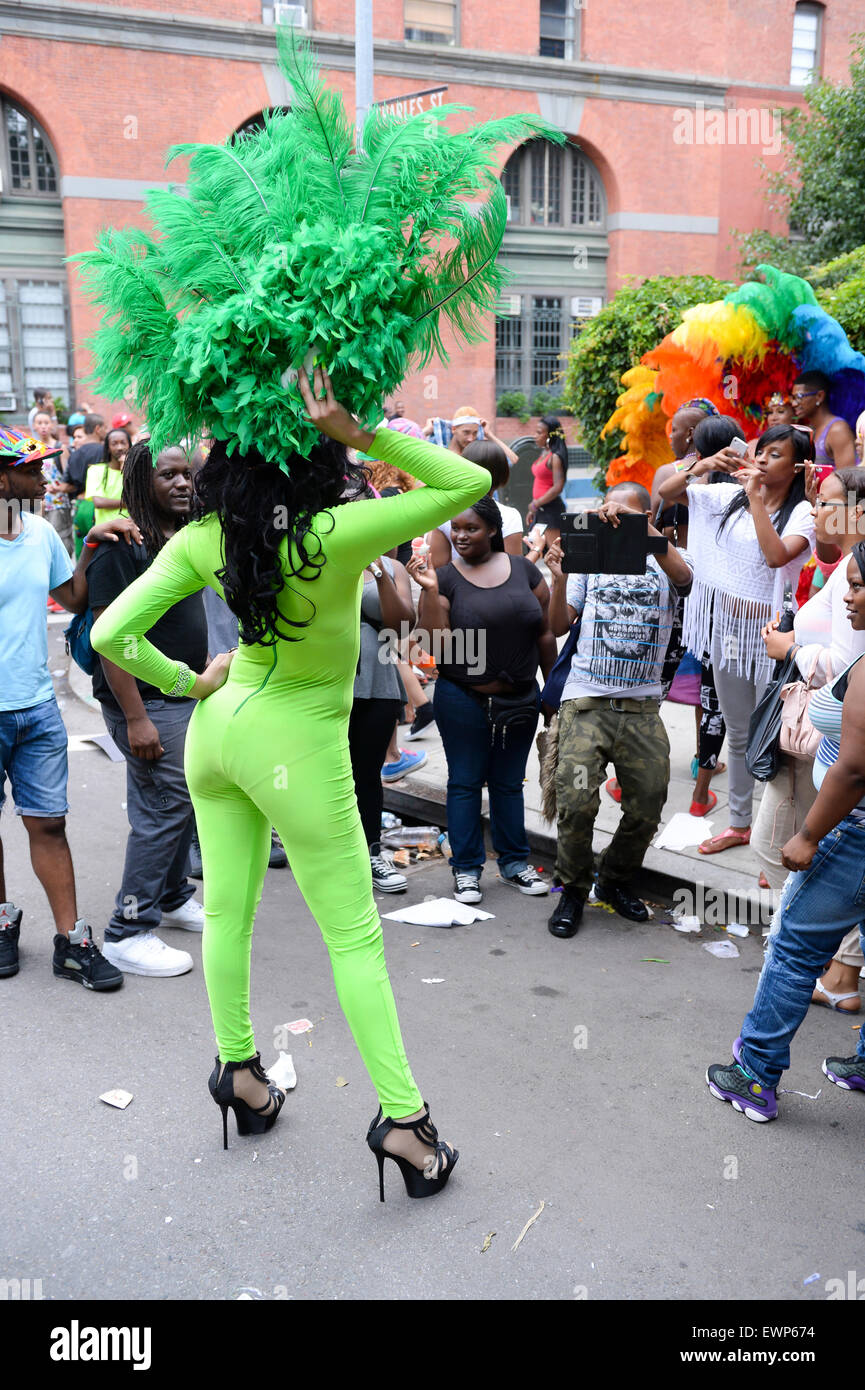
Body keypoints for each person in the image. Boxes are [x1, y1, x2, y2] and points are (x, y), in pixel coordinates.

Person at [91, 368, 488, 1185]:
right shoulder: (337, 530)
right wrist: (357, 432)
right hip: (297, 746)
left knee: (230, 915)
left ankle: (238, 1073)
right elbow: (471, 479)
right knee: (352, 936)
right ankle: (406, 1125)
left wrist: (188, 682)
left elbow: (109, 633)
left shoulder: (204, 538)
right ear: (312, 457)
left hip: (217, 731)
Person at [706, 543, 865, 1122]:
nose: (847, 596)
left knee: (794, 948)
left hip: (854, 834)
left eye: (857, 585)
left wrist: (811, 836)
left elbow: (852, 770)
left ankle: (754, 1075)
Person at [0, 425, 140, 990]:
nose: (43, 478)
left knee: (49, 823)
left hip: (37, 707)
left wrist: (89, 545)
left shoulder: (39, 534)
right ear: (2, 477)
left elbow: (73, 598)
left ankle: (72, 942)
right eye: (32, 470)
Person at [658, 423, 816, 854]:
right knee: (740, 730)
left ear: (798, 465)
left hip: (774, 639)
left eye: (775, 454)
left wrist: (753, 499)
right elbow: (668, 491)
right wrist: (700, 465)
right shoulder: (725, 496)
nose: (762, 459)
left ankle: (779, 837)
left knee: (778, 738)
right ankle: (740, 823)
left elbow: (776, 556)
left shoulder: (804, 513)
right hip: (727, 633)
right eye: (760, 451)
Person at [545, 483, 695, 935]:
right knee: (575, 802)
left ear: (649, 516)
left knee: (648, 804)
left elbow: (686, 582)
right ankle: (572, 891)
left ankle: (611, 881)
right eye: (611, 515)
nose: (615, 523)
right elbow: (557, 625)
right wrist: (557, 578)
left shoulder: (669, 557)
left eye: (626, 516)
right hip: (586, 705)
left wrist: (643, 532)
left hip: (642, 710)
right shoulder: (590, 556)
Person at [87, 441, 209, 979]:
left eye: (187, 475)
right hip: (147, 704)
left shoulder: (180, 536)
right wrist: (135, 717)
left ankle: (174, 897)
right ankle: (127, 930)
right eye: (168, 476)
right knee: (163, 810)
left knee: (182, 805)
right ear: (142, 482)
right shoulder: (124, 544)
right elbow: (108, 639)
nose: (182, 484)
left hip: (180, 695)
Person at [753, 467, 865, 1010]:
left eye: (827, 502)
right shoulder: (845, 565)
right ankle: (839, 965)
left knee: (786, 856)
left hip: (838, 764)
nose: (816, 511)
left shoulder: (857, 576)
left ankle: (755, 1067)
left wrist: (789, 651)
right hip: (820, 751)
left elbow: (848, 667)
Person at [411, 494, 555, 903]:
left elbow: (545, 632)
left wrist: (552, 695)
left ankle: (514, 864)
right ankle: (468, 870)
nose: (460, 535)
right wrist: (429, 591)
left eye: (470, 528)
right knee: (465, 783)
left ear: (492, 530)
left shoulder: (525, 569)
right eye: (455, 528)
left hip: (522, 699)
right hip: (464, 699)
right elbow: (432, 641)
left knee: (509, 784)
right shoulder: (446, 578)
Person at [349, 533, 415, 893]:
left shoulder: (390, 567)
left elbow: (403, 626)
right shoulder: (315, 557)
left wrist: (377, 572)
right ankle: (330, 859)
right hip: (324, 684)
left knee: (367, 775)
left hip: (376, 683)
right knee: (326, 775)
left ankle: (370, 855)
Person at [430, 439, 524, 563]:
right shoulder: (510, 516)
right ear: (503, 474)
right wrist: (536, 550)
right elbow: (515, 570)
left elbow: (438, 570)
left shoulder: (446, 512)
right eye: (456, 528)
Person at [792, 370, 857, 472]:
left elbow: (848, 478)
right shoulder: (808, 429)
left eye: (799, 397)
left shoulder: (837, 430)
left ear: (819, 396)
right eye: (793, 398)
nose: (794, 404)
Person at [33, 409, 74, 559]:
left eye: (46, 422)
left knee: (61, 540)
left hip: (58, 502)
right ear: (34, 426)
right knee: (37, 540)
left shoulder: (59, 447)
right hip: (36, 503)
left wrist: (59, 488)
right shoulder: (31, 448)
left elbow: (68, 476)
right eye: (39, 423)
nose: (43, 426)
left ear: (51, 426)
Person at [525, 414, 567, 548]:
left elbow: (558, 487)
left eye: (539, 432)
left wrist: (535, 504)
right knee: (540, 551)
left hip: (551, 510)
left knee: (556, 554)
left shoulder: (555, 457)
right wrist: (534, 509)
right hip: (541, 510)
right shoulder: (545, 453)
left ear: (549, 436)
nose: (535, 436)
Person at [83, 426, 131, 525]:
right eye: (114, 444)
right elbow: (99, 502)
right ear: (108, 448)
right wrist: (129, 504)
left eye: (123, 443)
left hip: (132, 529)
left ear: (129, 445)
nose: (120, 447)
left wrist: (126, 470)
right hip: (105, 530)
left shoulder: (135, 471)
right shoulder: (96, 470)